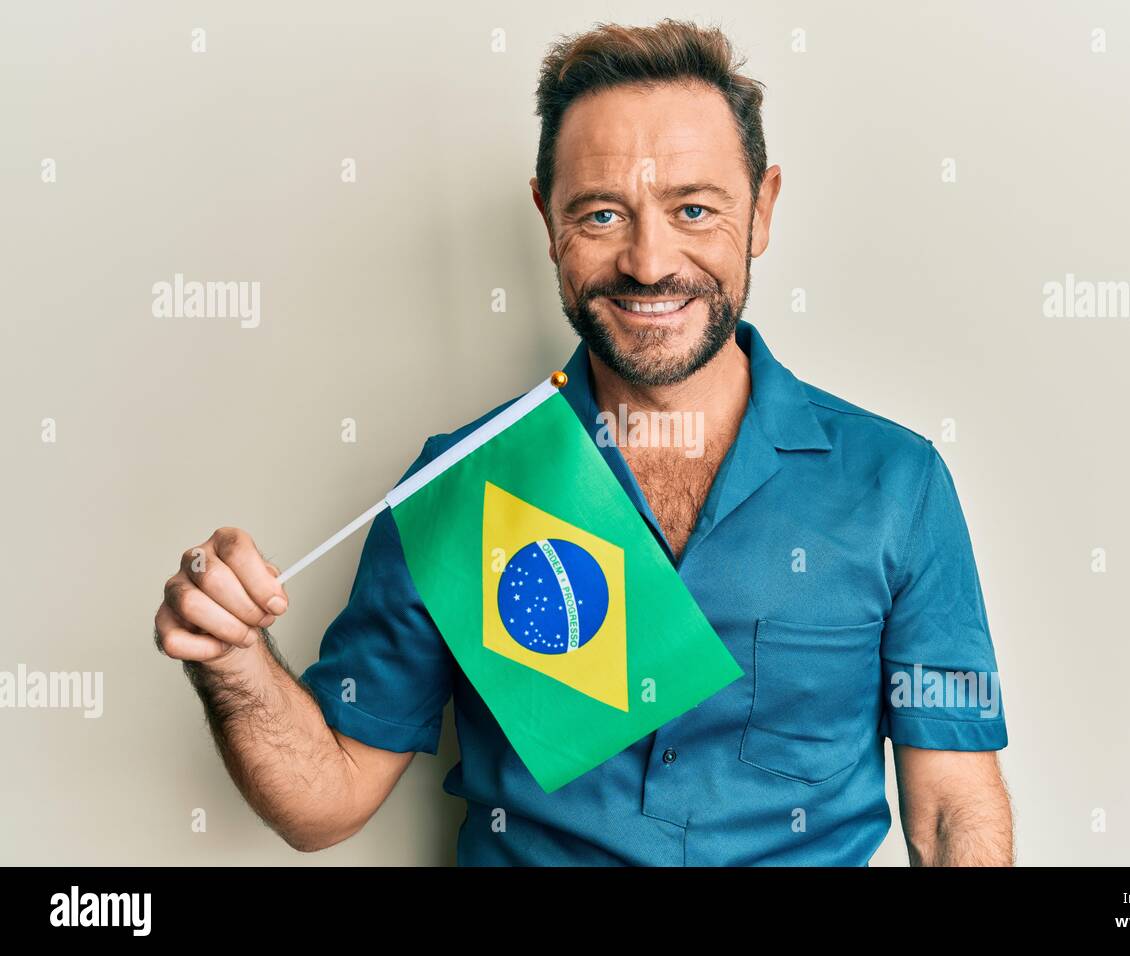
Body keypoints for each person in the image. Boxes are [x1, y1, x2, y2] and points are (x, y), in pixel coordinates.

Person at [153, 18, 1013, 866]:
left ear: (762, 209)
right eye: (602, 214)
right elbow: (323, 804)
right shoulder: (464, 487)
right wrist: (231, 661)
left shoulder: (898, 486)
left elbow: (950, 810)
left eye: (694, 208)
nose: (648, 261)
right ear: (546, 216)